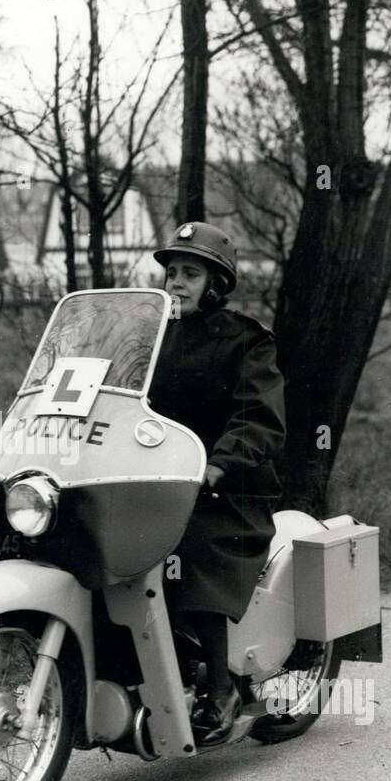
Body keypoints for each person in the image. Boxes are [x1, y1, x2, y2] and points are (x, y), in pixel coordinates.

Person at [146, 221, 286, 747]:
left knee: (194, 547)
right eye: (171, 272)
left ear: (216, 284)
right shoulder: (150, 337)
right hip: (155, 480)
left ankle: (223, 691)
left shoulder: (245, 340)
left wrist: (218, 464)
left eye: (190, 273)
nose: (176, 282)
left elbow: (259, 417)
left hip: (230, 488)